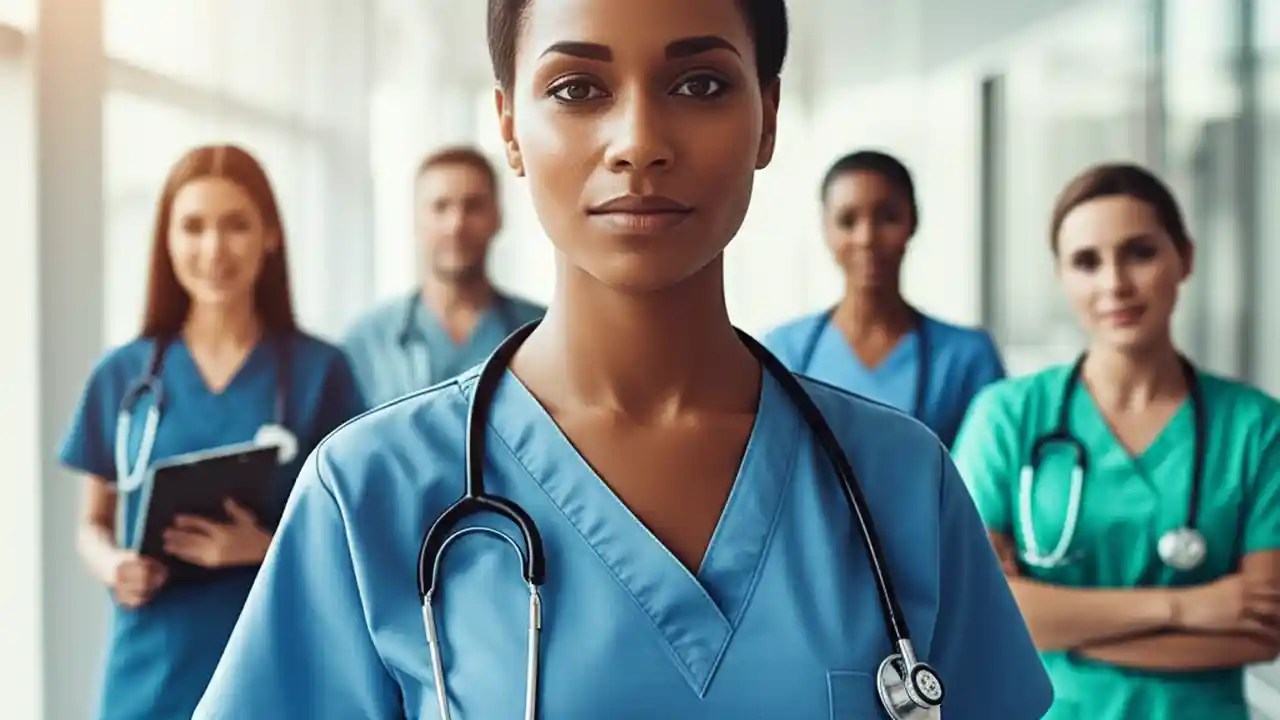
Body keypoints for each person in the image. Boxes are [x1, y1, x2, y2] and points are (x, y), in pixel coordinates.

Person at [195, 1, 1051, 718]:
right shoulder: (369, 493)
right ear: (509, 127)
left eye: (701, 83)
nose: (638, 140)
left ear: (769, 117)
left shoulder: (902, 481)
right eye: (577, 88)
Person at [952, 162, 1280, 720]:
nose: (1115, 284)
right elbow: (980, 612)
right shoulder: (1008, 418)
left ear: (1186, 258)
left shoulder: (1255, 428)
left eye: (1140, 252)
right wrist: (1192, 605)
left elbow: (1263, 631)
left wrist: (1058, 627)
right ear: (1062, 277)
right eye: (1087, 262)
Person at [59, 144, 365, 720]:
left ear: (270, 236)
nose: (213, 249)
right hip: (149, 672)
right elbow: (91, 525)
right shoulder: (124, 375)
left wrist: (262, 548)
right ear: (167, 240)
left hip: (273, 665)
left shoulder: (321, 373)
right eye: (192, 227)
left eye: (236, 226)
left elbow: (354, 538)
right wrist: (113, 566)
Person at [763, 151, 1005, 447]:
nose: (866, 238)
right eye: (847, 221)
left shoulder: (967, 357)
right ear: (826, 229)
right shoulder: (784, 351)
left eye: (887, 218)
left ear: (912, 222)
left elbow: (985, 476)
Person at [343, 146, 545, 406]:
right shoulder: (366, 342)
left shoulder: (541, 333)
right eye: (440, 207)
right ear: (416, 220)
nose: (456, 224)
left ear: (497, 217)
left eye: (472, 207)